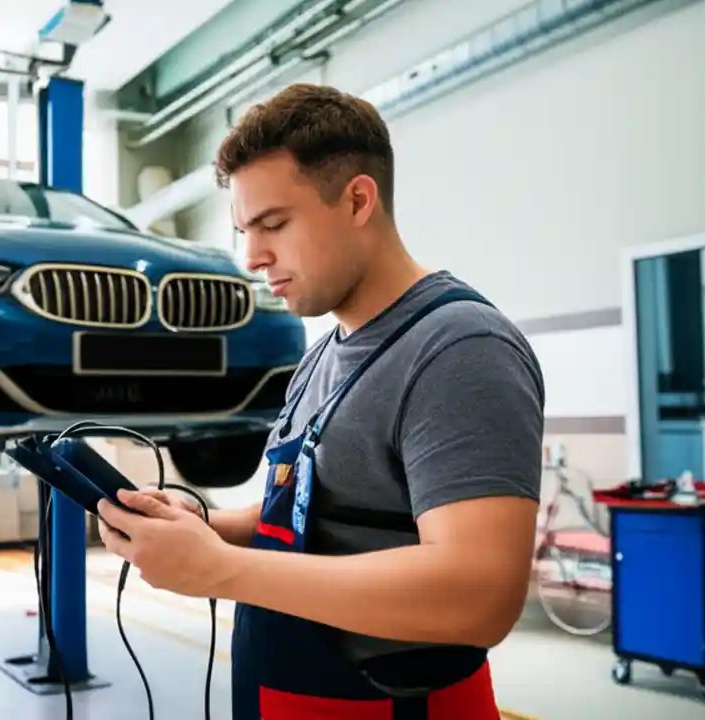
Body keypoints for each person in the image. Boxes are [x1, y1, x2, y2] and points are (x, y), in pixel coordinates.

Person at [96, 83, 546, 719]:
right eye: (244, 231)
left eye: (274, 224)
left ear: (358, 200)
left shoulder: (459, 348)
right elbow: (311, 514)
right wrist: (203, 528)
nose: (253, 257)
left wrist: (220, 570)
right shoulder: (321, 357)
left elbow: (479, 596)